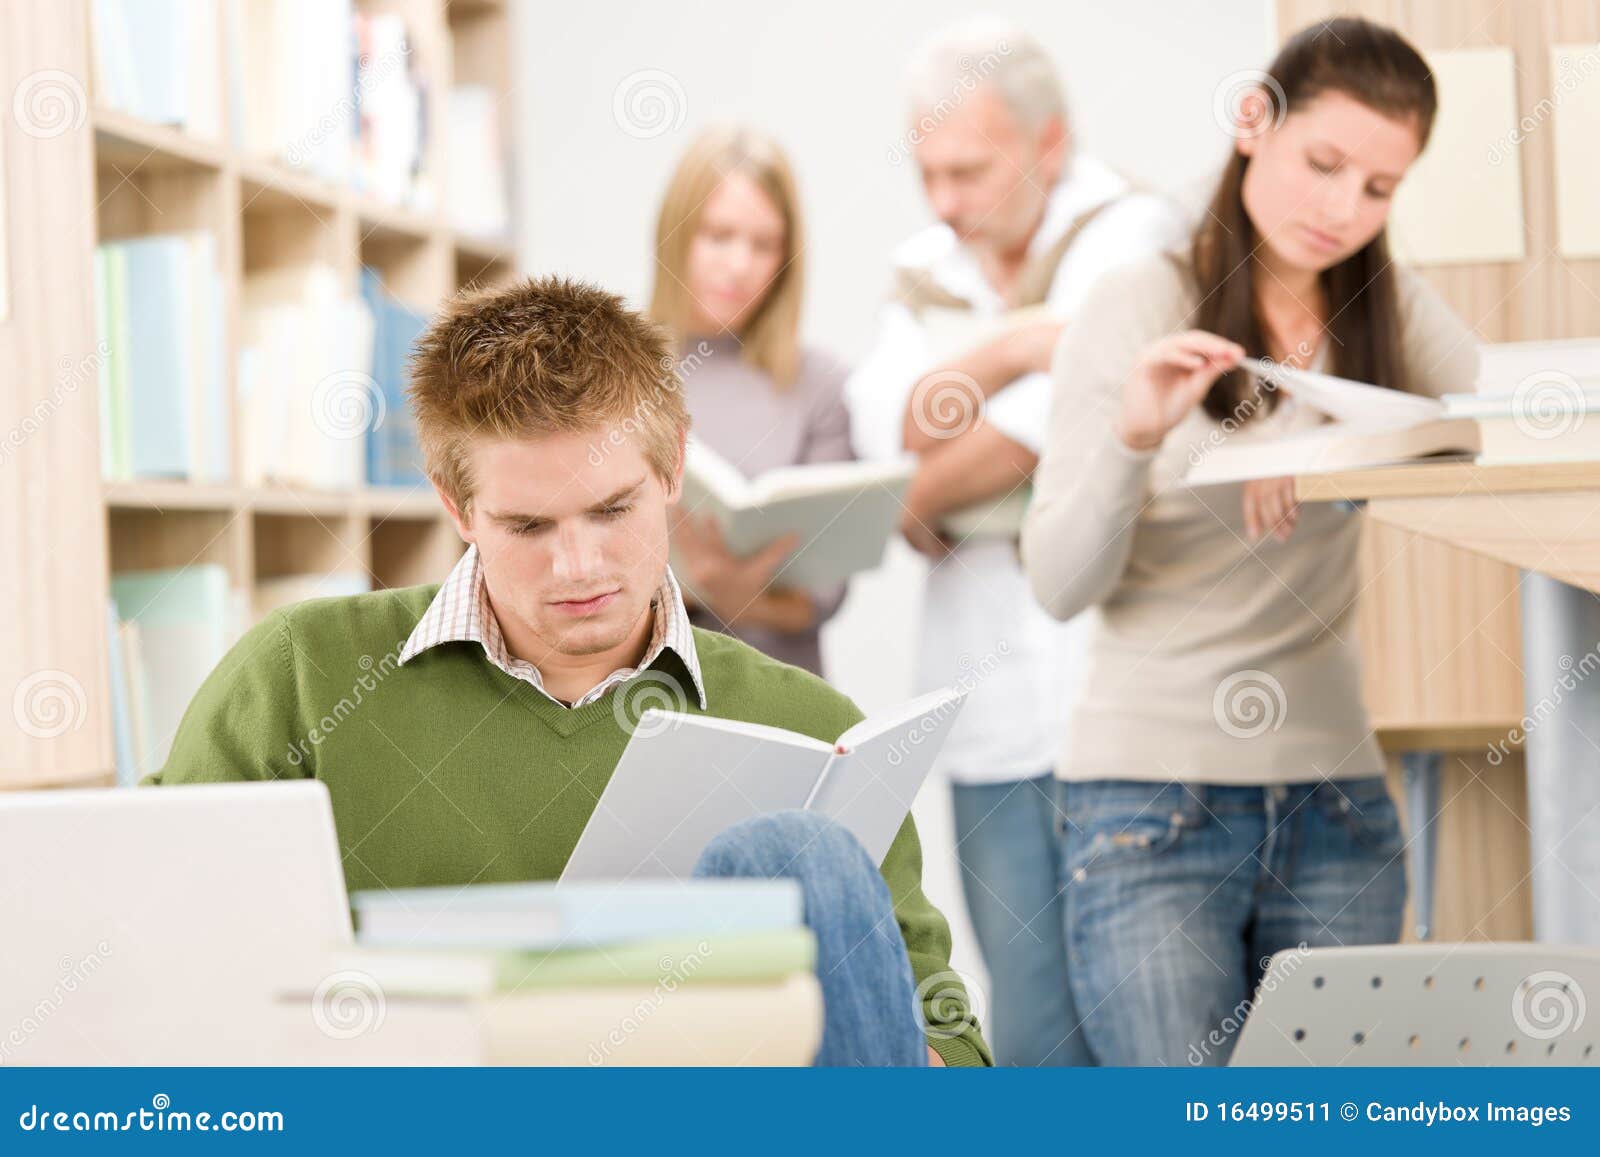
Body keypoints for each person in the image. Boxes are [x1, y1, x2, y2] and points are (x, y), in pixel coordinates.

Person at [145, 276, 990, 1068]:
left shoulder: (811, 728)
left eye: (613, 509)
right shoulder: (302, 677)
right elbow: (158, 953)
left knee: (798, 852)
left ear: (672, 470)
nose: (578, 565)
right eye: (528, 526)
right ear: (455, 503)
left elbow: (949, 1039)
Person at [1021, 16, 1480, 1066]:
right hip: (1150, 812)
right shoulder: (1136, 301)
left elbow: (1491, 428)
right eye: (1322, 164)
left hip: (1339, 808)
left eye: (1379, 188)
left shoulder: (1384, 309)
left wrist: (1333, 446)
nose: (1343, 211)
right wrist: (1140, 440)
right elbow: (1056, 581)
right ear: (1251, 123)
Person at [845, 18, 1185, 1066]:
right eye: (926, 171)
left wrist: (939, 459)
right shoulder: (921, 268)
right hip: (988, 702)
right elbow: (890, 449)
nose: (943, 201)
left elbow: (1052, 430)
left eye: (967, 170)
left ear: (1047, 146)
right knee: (1032, 1022)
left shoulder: (1138, 233)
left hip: (1127, 693)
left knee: (1153, 1020)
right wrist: (1026, 346)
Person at [650, 126, 853, 677]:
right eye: (718, 236)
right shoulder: (617, 372)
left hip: (783, 695)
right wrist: (692, 591)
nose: (739, 266)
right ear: (677, 235)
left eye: (763, 244)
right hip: (651, 696)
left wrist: (742, 599)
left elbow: (826, 593)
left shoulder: (821, 384)